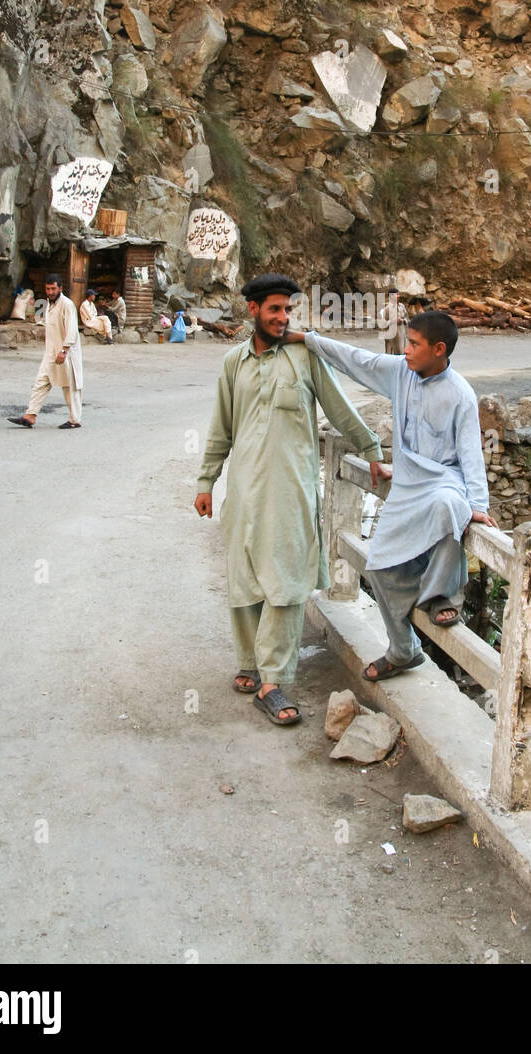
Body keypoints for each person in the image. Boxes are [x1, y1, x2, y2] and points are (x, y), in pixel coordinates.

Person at [194, 274, 384, 727]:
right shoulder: (233, 363)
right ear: (252, 311)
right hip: (244, 490)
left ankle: (273, 681)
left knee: (285, 579)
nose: (283, 318)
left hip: (292, 491)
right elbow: (221, 427)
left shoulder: (306, 357)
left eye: (288, 310)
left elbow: (339, 408)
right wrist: (206, 481)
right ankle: (250, 662)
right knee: (244, 576)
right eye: (275, 309)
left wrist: (372, 449)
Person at [282, 310, 497, 682]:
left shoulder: (460, 393)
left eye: (414, 344)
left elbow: (470, 454)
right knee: (379, 565)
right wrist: (307, 339)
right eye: (407, 343)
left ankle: (443, 596)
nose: (407, 350)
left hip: (445, 482)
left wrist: (478, 505)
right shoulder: (400, 373)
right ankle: (403, 649)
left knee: (450, 507)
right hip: (408, 486)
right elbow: (355, 359)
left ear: (439, 349)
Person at [7, 274, 83, 429]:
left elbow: (72, 331)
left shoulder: (67, 304)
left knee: (70, 386)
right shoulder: (49, 304)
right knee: (40, 382)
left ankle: (75, 420)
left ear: (60, 288)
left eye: (53, 288)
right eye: (48, 289)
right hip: (50, 352)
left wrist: (64, 350)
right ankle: (30, 415)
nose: (50, 292)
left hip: (65, 353)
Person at [379, 288, 408, 355]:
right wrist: (393, 321)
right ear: (391, 296)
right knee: (391, 357)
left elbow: (407, 318)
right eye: (397, 294)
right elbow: (383, 325)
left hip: (402, 336)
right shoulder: (387, 309)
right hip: (392, 339)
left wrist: (403, 321)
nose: (399, 296)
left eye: (399, 294)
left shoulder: (402, 306)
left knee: (402, 355)